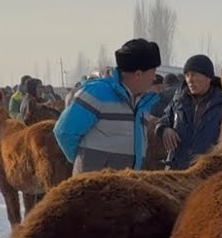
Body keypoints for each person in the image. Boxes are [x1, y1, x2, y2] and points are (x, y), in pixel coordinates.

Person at [54, 39, 162, 175]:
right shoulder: (97, 93)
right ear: (138, 74)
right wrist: (83, 161)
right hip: (94, 185)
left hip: (126, 183)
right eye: (153, 72)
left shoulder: (142, 104)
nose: (154, 78)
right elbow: (64, 131)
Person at [153, 54, 222, 170]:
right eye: (187, 75)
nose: (190, 80)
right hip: (176, 171)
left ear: (208, 77)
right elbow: (165, 119)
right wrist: (164, 129)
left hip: (205, 173)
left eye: (195, 74)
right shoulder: (179, 100)